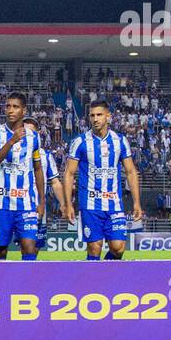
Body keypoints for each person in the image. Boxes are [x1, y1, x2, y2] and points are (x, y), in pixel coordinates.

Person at [63, 101, 143, 260]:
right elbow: (69, 173)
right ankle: (93, 284)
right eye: (92, 115)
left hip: (114, 203)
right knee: (94, 248)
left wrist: (136, 202)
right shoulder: (80, 142)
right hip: (90, 203)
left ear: (108, 116)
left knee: (118, 248)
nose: (95, 119)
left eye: (99, 115)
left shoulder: (120, 141)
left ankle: (103, 278)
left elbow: (131, 171)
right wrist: (68, 204)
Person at [0, 91, 45, 260]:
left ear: (23, 111)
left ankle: (27, 286)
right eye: (8, 106)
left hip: (26, 203)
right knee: (1, 250)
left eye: (15, 107)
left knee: (29, 247)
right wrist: (11, 141)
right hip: (2, 203)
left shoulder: (34, 137)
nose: (10, 110)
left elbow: (38, 169)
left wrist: (42, 200)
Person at [26, 116, 62, 253]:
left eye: (31, 132)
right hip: (16, 206)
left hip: (39, 208)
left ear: (37, 134)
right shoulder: (12, 152)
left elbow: (55, 181)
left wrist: (64, 203)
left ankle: (30, 274)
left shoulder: (46, 156)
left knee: (34, 249)